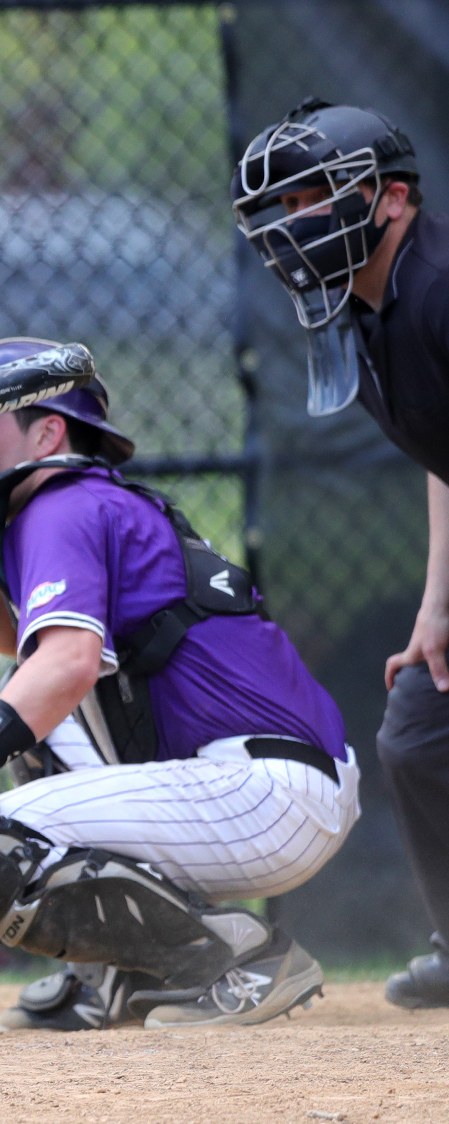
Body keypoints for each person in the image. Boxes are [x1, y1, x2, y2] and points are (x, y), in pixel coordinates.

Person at [0, 337, 358, 1030]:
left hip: (263, 793)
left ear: (48, 432)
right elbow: (43, 660)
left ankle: (240, 958)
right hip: (266, 786)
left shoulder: (62, 505)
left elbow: (68, 664)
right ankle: (123, 971)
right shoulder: (78, 505)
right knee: (31, 703)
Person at [233, 98, 449, 1010]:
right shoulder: (363, 313)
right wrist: (437, 610)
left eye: (317, 197)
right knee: (416, 729)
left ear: (391, 199)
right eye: (280, 208)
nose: (294, 225)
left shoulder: (439, 290)